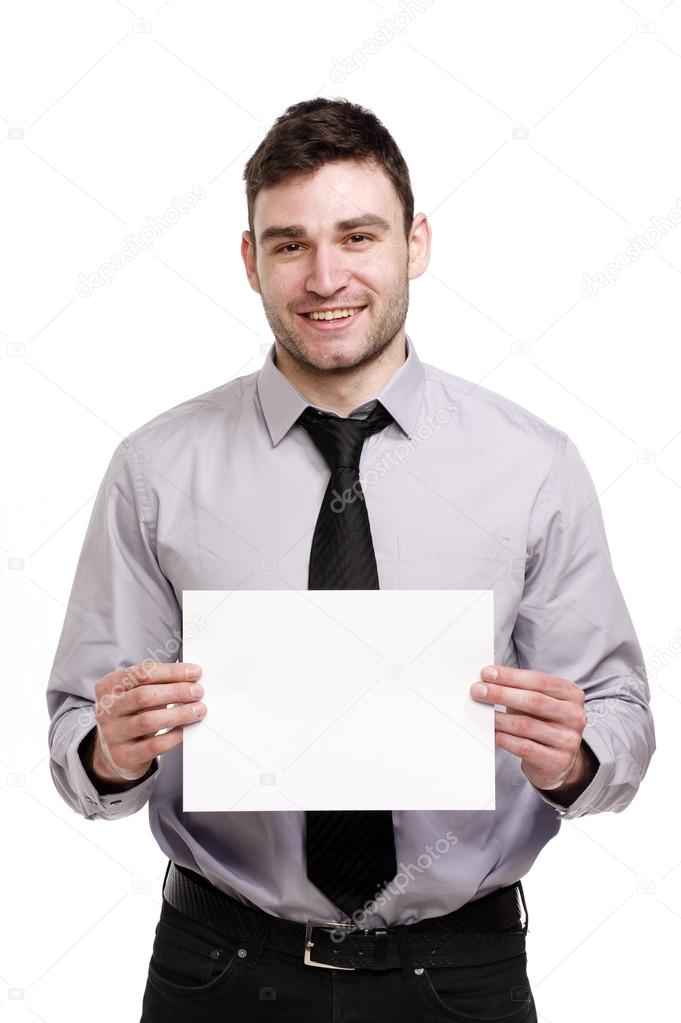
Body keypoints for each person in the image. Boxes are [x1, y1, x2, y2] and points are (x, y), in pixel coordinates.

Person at [46, 97, 655, 1023]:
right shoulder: (155, 470)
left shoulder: (534, 465)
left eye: (357, 236)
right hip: (220, 967)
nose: (325, 276)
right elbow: (77, 741)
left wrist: (570, 757)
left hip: (459, 974)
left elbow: (620, 723)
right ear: (250, 261)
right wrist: (111, 752)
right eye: (288, 244)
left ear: (414, 243)